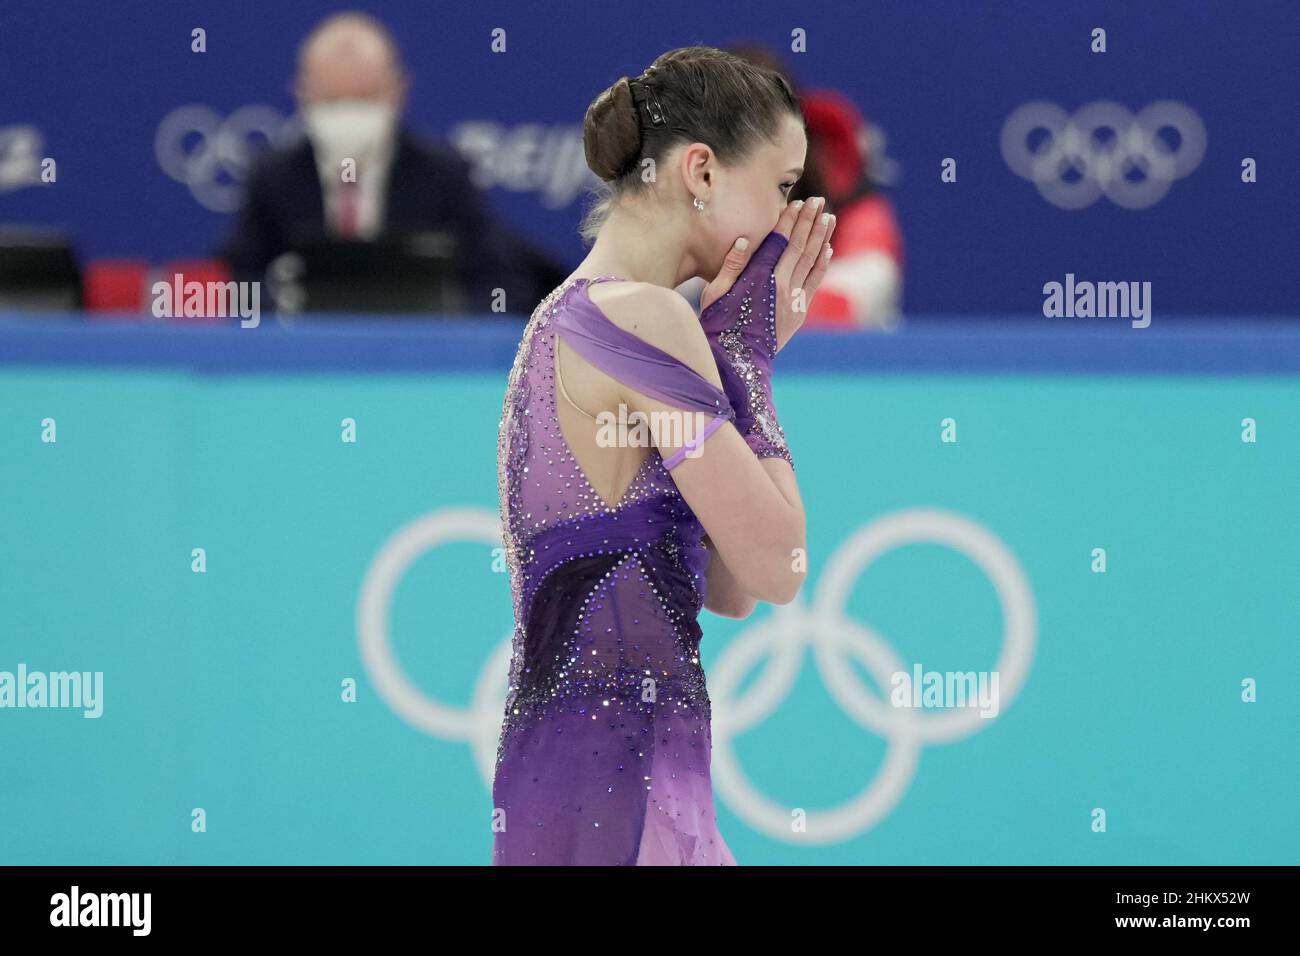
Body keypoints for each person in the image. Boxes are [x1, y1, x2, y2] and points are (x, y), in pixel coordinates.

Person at [491, 46, 835, 865]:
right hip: (624, 763)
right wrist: (748, 365)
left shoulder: (558, 318)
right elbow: (782, 565)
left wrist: (727, 366)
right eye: (783, 186)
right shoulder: (645, 319)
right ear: (703, 171)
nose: (792, 216)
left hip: (568, 761)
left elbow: (730, 588)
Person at [217, 11, 545, 312]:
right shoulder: (274, 177)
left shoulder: (443, 174)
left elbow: (500, 283)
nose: (348, 113)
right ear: (301, 94)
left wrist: (446, 317)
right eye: (332, 100)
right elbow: (235, 281)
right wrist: (283, 305)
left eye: (363, 98)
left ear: (396, 91)